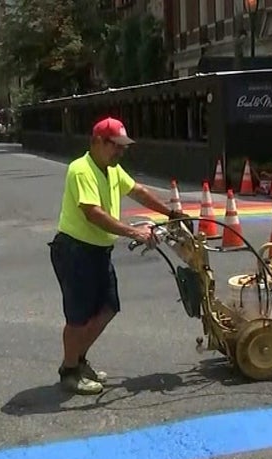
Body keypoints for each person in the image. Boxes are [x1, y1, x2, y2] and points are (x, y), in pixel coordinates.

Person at [50, 117, 187, 395]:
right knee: (77, 317)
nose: (121, 152)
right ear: (98, 142)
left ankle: (78, 360)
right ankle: (69, 371)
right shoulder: (81, 170)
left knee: (108, 308)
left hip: (99, 250)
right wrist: (133, 232)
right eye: (116, 146)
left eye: (124, 147)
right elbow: (94, 213)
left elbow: (137, 191)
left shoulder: (112, 169)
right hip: (76, 250)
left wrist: (170, 213)